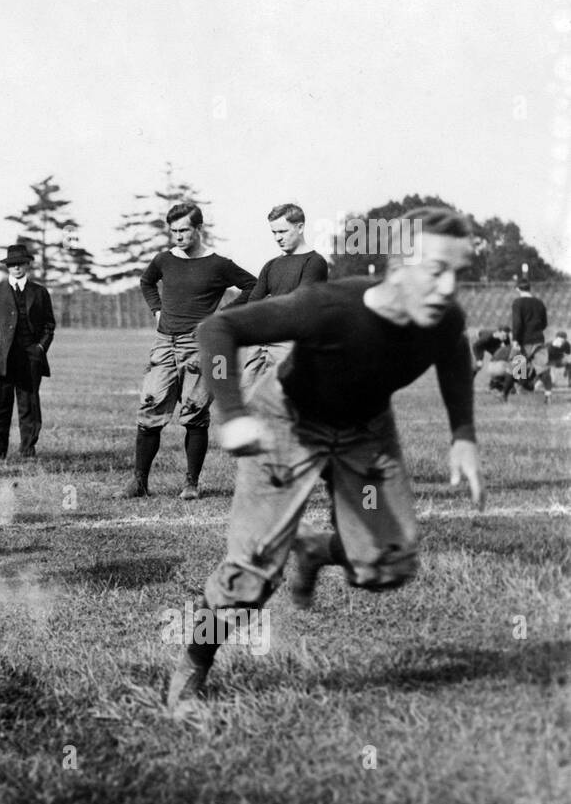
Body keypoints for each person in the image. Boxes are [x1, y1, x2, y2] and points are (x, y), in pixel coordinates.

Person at [166, 208, 484, 706]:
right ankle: (194, 664)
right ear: (400, 264)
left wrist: (462, 435)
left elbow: (455, 360)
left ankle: (314, 549)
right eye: (437, 271)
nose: (449, 289)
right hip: (286, 423)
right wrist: (232, 413)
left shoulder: (445, 320)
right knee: (249, 578)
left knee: (387, 563)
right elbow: (217, 331)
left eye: (459, 275)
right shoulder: (330, 306)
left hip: (365, 432)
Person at [128, 202, 257, 500]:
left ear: (199, 228)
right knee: (149, 408)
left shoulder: (219, 264)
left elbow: (253, 285)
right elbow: (147, 281)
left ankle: (191, 484)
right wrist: (156, 310)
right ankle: (139, 483)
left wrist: (221, 316)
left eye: (184, 230)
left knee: (194, 413)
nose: (178, 237)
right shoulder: (163, 260)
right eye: (173, 231)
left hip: (198, 347)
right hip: (163, 344)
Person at [240, 204, 329, 392]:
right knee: (248, 399)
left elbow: (299, 304)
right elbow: (253, 303)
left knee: (285, 400)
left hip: (289, 343)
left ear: (300, 227)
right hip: (258, 343)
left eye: (282, 231)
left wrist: (269, 304)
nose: (277, 238)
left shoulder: (314, 262)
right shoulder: (271, 265)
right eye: (274, 232)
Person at [0, 244, 56, 460]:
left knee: (29, 407)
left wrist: (40, 348)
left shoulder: (40, 292)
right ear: (7, 267)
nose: (15, 268)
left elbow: (49, 326)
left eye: (20, 264)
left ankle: (28, 449)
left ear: (27, 265)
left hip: (30, 358)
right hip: (1, 360)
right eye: (11, 264)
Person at [511, 280, 553, 403]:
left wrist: (515, 340)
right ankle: (548, 394)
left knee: (518, 367)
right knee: (543, 368)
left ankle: (515, 393)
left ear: (518, 289)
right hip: (538, 339)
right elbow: (544, 323)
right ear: (529, 289)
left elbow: (517, 323)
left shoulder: (517, 303)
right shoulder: (540, 303)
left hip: (524, 340)